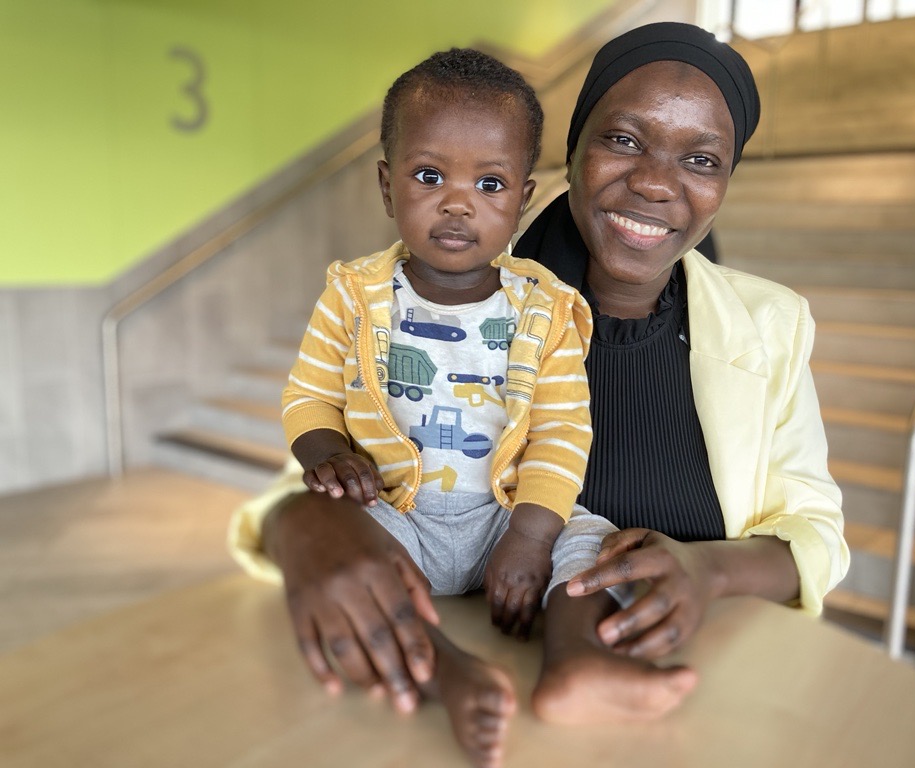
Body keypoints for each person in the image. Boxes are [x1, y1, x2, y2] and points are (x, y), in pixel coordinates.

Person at [229, 17, 847, 757]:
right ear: (572, 151)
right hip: (460, 718)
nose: (654, 181)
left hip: (683, 716)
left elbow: (817, 533)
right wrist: (300, 521)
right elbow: (328, 455)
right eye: (623, 139)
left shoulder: (771, 325)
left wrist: (711, 569)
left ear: (725, 183)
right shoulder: (463, 279)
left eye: (702, 159)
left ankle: (580, 662)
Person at [262, 48, 658, 768]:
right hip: (397, 514)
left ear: (520, 199)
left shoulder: (546, 311)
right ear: (387, 186)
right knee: (347, 545)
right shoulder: (352, 296)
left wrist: (534, 538)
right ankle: (442, 666)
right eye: (428, 175)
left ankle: (574, 660)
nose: (457, 201)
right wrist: (327, 454)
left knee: (594, 542)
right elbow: (308, 395)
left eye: (490, 182)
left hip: (508, 518)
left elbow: (564, 432)